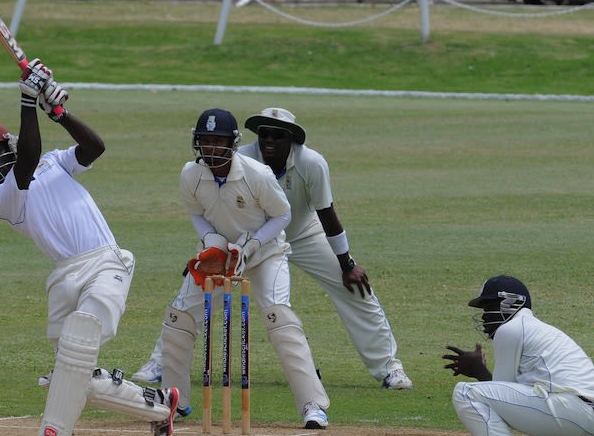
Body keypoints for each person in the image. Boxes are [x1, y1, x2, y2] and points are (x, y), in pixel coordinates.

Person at [0, 58, 178, 436]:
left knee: (77, 350)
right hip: (64, 275)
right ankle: (158, 405)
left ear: (8, 145)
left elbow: (93, 147)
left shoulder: (53, 162)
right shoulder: (3, 198)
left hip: (105, 261)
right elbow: (26, 161)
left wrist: (58, 112)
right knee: (71, 369)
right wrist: (28, 102)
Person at [132, 107, 412, 390]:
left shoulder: (311, 163)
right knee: (193, 293)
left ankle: (389, 369)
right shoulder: (237, 157)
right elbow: (213, 210)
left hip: (303, 233)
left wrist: (347, 264)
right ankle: (160, 363)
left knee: (355, 289)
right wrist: (208, 250)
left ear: (292, 139)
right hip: (243, 242)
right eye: (264, 134)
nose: (269, 140)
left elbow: (327, 212)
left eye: (278, 135)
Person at [156, 108, 330, 428]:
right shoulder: (190, 174)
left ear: (232, 142)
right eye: (204, 141)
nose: (210, 148)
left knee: (279, 317)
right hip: (218, 256)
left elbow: (282, 215)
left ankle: (312, 405)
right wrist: (212, 241)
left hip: (265, 256)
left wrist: (250, 246)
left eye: (217, 141)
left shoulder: (256, 174)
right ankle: (174, 398)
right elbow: (197, 214)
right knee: (178, 318)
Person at [442, 275, 594, 436]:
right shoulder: (541, 330)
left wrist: (479, 372)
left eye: (490, 306)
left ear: (511, 302)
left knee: (465, 393)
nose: (485, 316)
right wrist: (482, 373)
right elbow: (511, 396)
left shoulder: (511, 329)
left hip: (574, 412)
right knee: (548, 405)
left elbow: (500, 390)